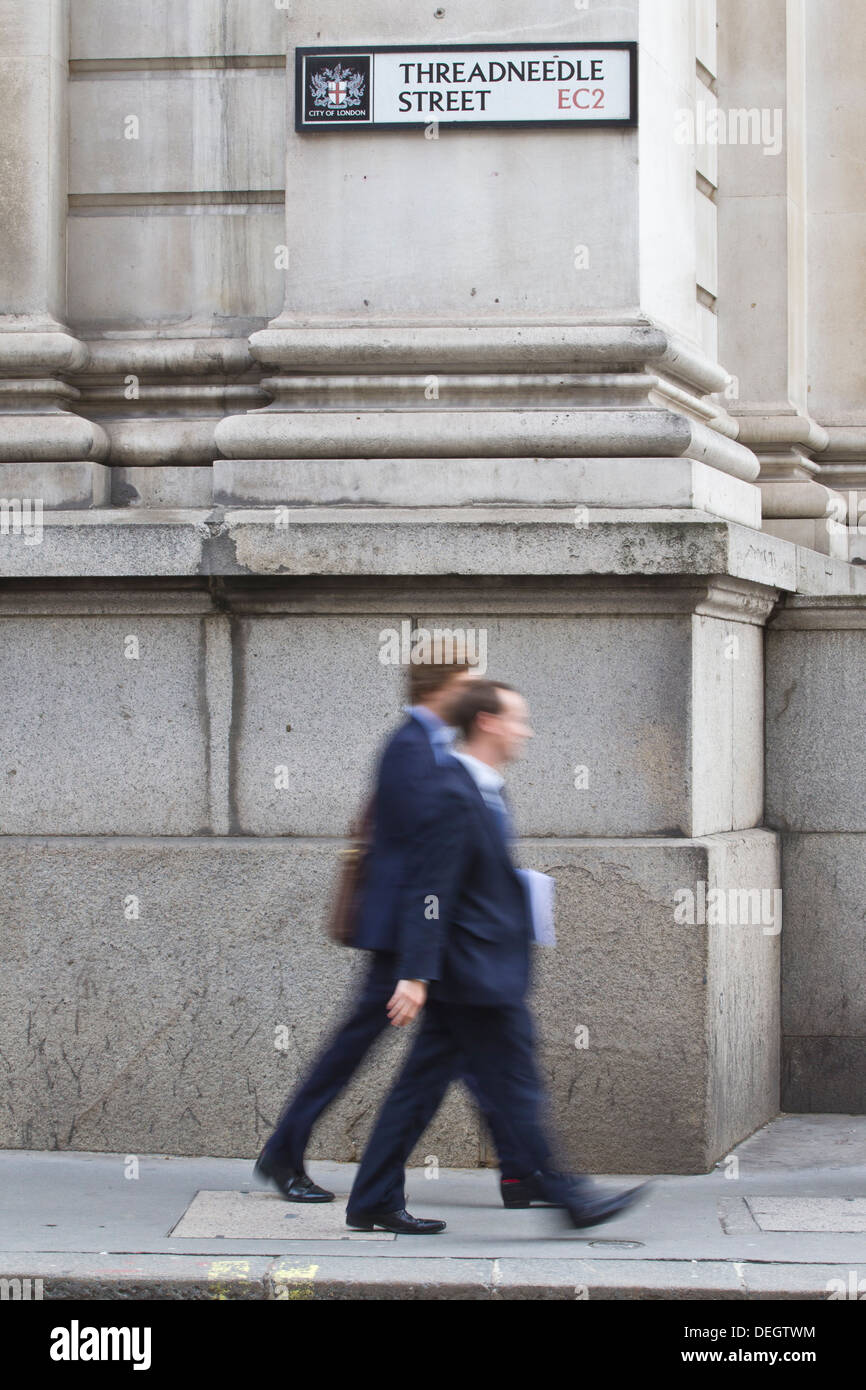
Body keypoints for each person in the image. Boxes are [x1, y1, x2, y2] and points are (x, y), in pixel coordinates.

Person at [345, 680, 651, 1234]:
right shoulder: (452, 791)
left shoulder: (483, 787)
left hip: (478, 969)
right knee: (516, 1084)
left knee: (420, 1088)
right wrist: (415, 973)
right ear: (487, 721)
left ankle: (372, 1197)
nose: (526, 731)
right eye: (518, 719)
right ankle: (565, 1193)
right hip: (472, 973)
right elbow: (429, 889)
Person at [253, 660, 538, 1205]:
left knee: (462, 1047)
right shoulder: (410, 747)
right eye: (466, 683)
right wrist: (419, 957)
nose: (474, 693)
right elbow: (421, 858)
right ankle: (287, 1151)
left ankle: (522, 1169)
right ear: (441, 689)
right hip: (402, 936)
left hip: (425, 935)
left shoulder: (428, 745)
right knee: (362, 1046)